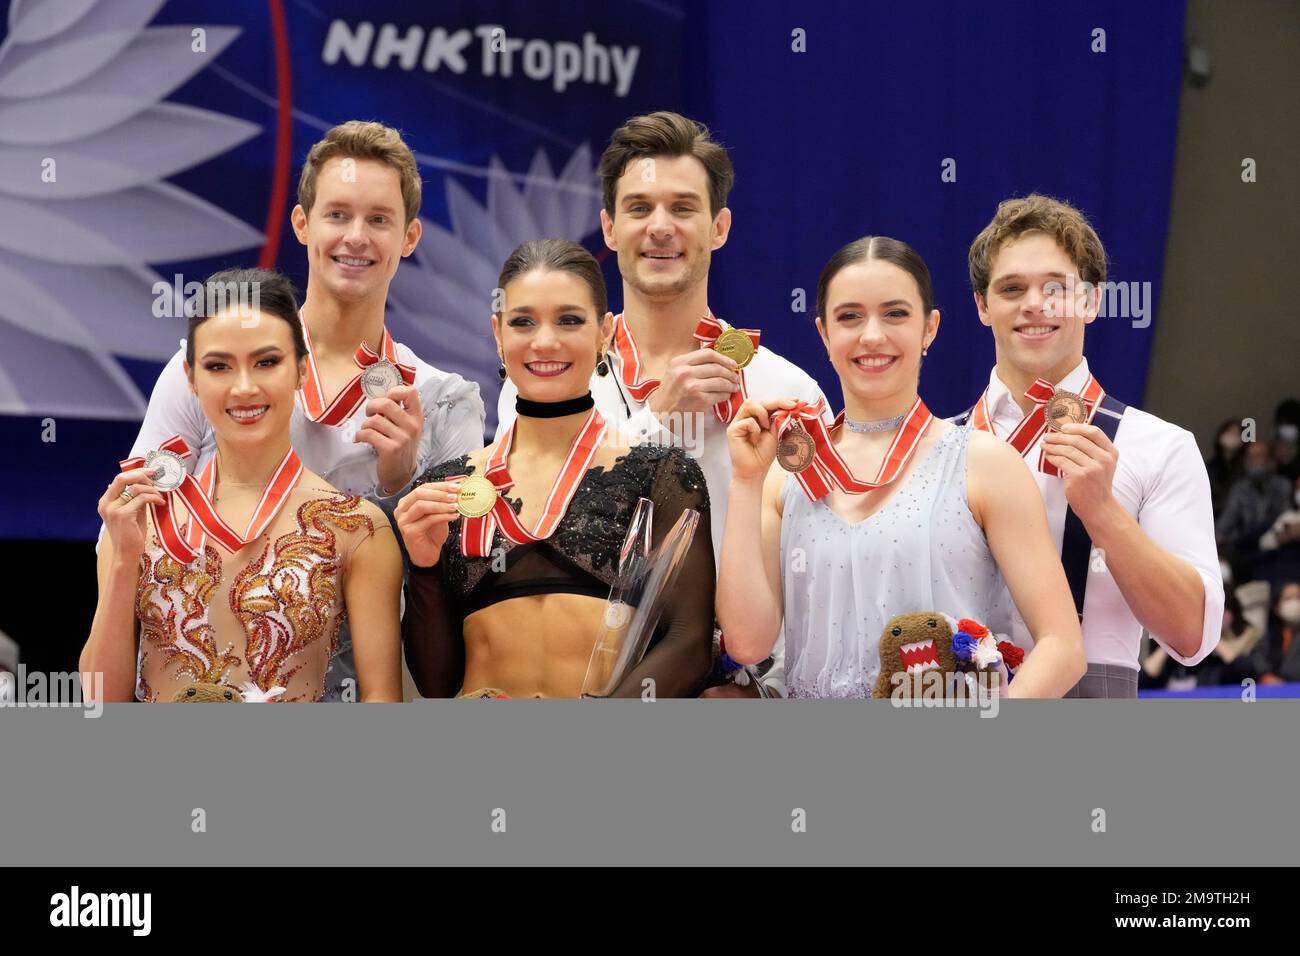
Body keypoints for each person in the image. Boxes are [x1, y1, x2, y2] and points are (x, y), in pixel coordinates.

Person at [120, 121, 485, 697]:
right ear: (301, 223)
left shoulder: (444, 401)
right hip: (207, 686)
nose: (356, 237)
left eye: (379, 219)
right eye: (338, 214)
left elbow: (458, 592)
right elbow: (129, 538)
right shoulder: (206, 372)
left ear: (410, 236)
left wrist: (401, 483)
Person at [494, 112, 826, 698]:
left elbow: (816, 571)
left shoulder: (786, 388)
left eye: (683, 207)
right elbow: (533, 539)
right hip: (578, 687)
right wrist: (656, 422)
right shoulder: (541, 380)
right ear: (609, 227)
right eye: (640, 208)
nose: (661, 227)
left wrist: (767, 690)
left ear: (719, 227)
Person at [716, 236, 1085, 698]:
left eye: (895, 314)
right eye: (850, 316)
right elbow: (747, 643)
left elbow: (1062, 646)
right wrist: (746, 481)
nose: (872, 335)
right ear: (824, 334)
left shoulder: (984, 462)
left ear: (930, 328)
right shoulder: (787, 474)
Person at [397, 240, 715, 699]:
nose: (545, 341)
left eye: (569, 320)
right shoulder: (447, 488)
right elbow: (436, 683)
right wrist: (423, 568)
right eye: (523, 322)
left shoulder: (663, 474)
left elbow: (689, 643)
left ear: (604, 331)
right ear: (497, 333)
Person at [82, 270, 403, 702]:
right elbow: (99, 702)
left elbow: (382, 702)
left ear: (301, 370)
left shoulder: (357, 527)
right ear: (191, 378)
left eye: (266, 362)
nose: (245, 387)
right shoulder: (143, 519)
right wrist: (124, 559)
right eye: (219, 366)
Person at [960, 194, 1223, 697]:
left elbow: (1192, 637)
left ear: (1092, 301)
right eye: (1012, 288)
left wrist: (1103, 512)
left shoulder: (1159, 446)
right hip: (954, 700)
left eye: (1056, 288)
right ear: (982, 306)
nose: (1034, 304)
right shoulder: (937, 446)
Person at [1216, 440, 1292, 558]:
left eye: (1258, 457)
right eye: (1249, 457)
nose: (1252, 461)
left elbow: (1285, 522)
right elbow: (1227, 520)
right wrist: (1217, 536)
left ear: (1270, 461)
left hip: (1275, 547)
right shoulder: (1240, 488)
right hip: (1245, 548)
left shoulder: (1283, 486)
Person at [1254, 580, 1300, 684]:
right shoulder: (1269, 634)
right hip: (1275, 690)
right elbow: (1258, 658)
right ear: (1276, 607)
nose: (1294, 603)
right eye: (1288, 598)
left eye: (1298, 597)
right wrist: (1265, 675)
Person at [1206, 418, 1245, 516]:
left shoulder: (1243, 470)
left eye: (1236, 433)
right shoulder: (1209, 467)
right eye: (1229, 432)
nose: (1232, 436)